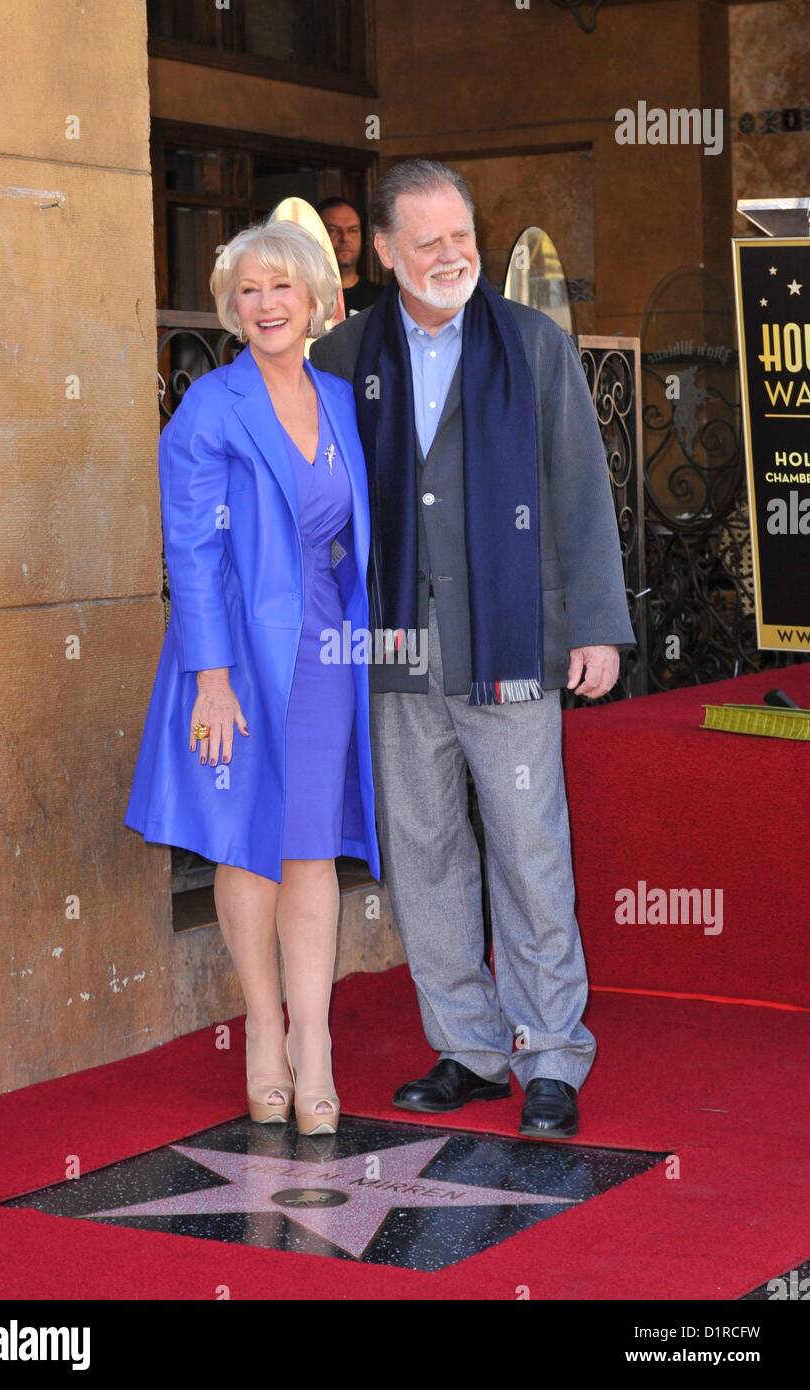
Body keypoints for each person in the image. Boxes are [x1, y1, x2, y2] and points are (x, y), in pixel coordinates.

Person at [310, 159, 636, 1139]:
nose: (451, 254)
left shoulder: (532, 344)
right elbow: (325, 507)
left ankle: (548, 1053)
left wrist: (596, 625)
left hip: (511, 638)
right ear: (381, 252)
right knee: (421, 850)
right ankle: (466, 1044)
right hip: (393, 643)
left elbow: (580, 490)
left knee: (530, 849)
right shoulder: (340, 355)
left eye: (461, 235)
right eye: (427, 241)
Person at [124, 219, 380, 1136]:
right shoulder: (209, 407)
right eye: (247, 291)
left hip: (324, 653)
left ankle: (313, 1043)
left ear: (315, 299)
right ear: (231, 309)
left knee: (309, 846)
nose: (265, 304)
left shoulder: (347, 401)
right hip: (232, 650)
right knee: (245, 841)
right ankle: (261, 1034)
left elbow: (361, 539)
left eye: (282, 288)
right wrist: (210, 678)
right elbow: (189, 549)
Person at [316, 197, 384, 314]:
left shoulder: (383, 299)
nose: (345, 238)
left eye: (353, 230)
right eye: (333, 230)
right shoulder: (303, 298)